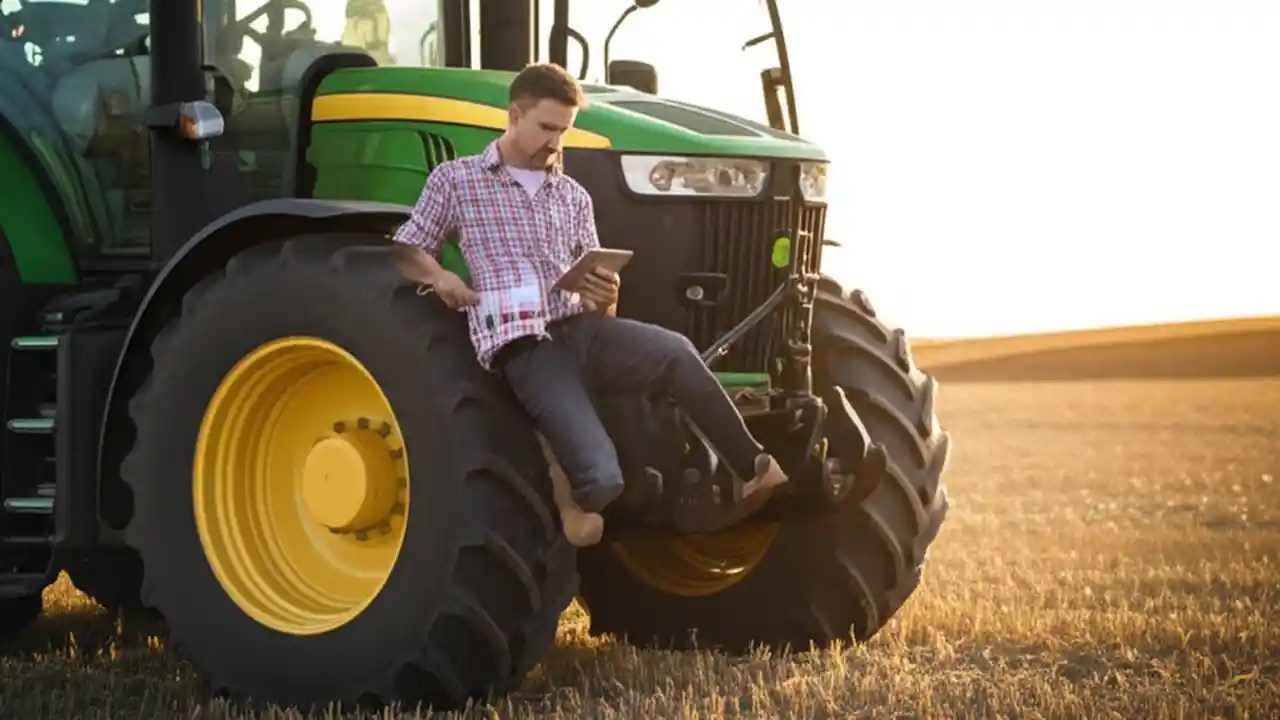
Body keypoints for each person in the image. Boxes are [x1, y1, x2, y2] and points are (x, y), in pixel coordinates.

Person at [390, 63, 787, 543]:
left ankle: (754, 466)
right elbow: (408, 248)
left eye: (564, 131)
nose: (555, 142)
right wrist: (441, 276)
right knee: (603, 481)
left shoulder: (573, 196)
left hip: (583, 330)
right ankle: (566, 486)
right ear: (514, 115)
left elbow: (597, 294)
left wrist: (607, 294)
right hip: (526, 346)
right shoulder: (457, 180)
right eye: (547, 127)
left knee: (676, 350)